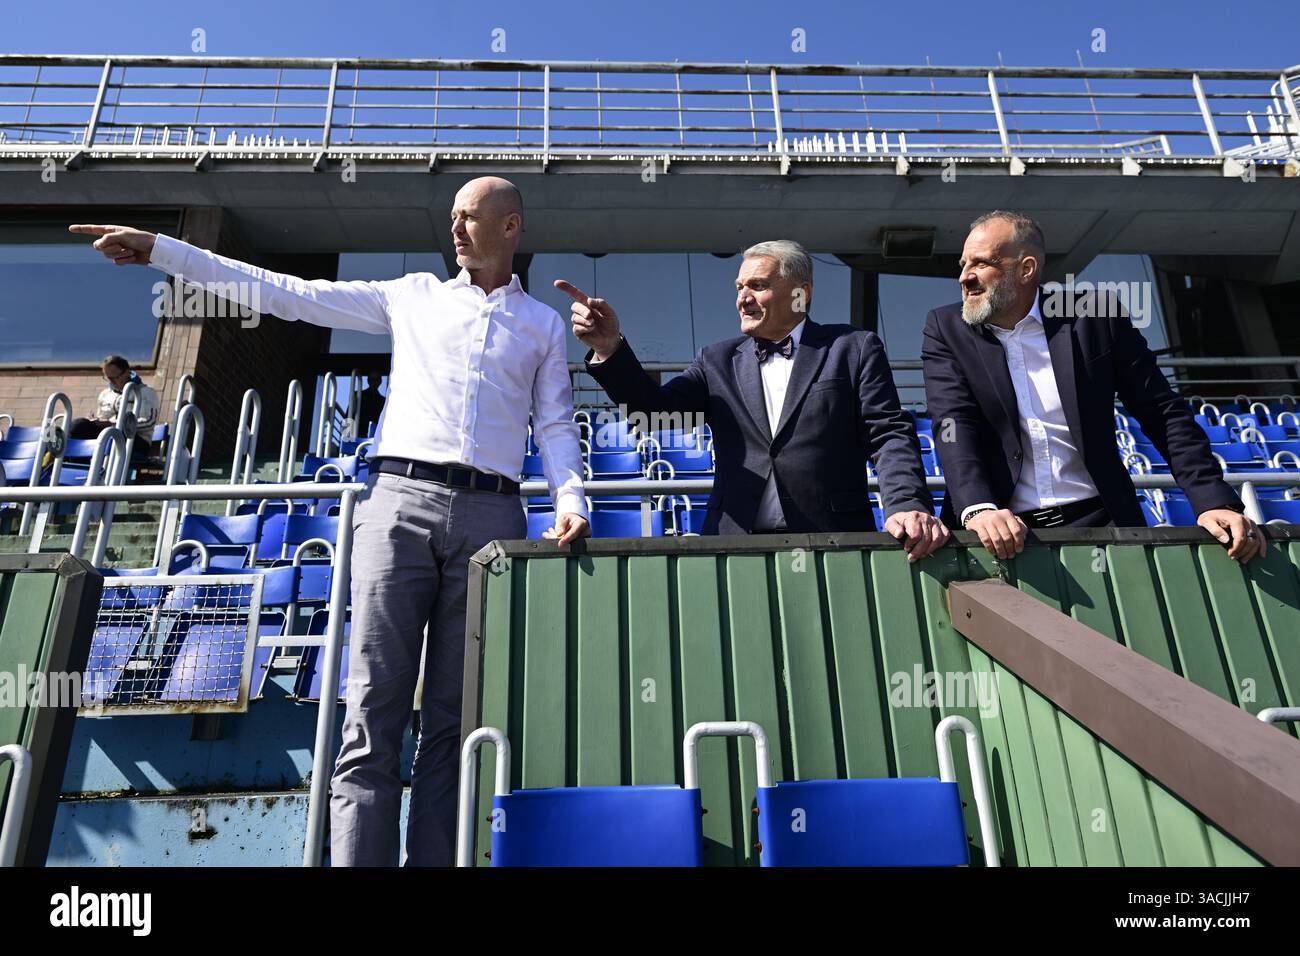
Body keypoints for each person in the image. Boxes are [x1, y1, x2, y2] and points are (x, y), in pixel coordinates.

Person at [70, 176, 591, 866]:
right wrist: (166, 250)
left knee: (455, 721)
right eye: (454, 216)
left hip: (495, 513)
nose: (457, 228)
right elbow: (289, 292)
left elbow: (554, 421)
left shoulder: (543, 325)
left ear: (511, 227)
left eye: (472, 216)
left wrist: (571, 501)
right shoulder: (411, 297)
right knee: (372, 711)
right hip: (397, 501)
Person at [559, 240, 948, 559]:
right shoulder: (716, 360)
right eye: (739, 288)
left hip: (834, 545)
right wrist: (610, 348)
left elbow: (889, 435)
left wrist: (906, 504)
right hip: (733, 547)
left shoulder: (853, 348)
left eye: (757, 286)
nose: (742, 299)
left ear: (800, 293)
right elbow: (655, 416)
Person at [921, 210, 1263, 562]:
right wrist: (978, 509)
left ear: (1026, 270)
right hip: (999, 530)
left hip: (1104, 521)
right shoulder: (945, 327)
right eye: (962, 265)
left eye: (980, 264)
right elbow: (952, 423)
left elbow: (1163, 411)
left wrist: (1211, 501)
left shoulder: (1094, 315)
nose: (965, 277)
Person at [70, 355, 160, 440]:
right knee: (78, 425)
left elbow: (149, 422)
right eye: (108, 378)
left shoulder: (145, 392)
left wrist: (113, 424)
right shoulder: (105, 394)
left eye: (115, 377)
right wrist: (96, 421)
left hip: (133, 438)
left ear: (127, 372)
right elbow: (102, 418)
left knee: (111, 434)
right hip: (108, 434)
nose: (112, 382)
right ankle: (60, 447)